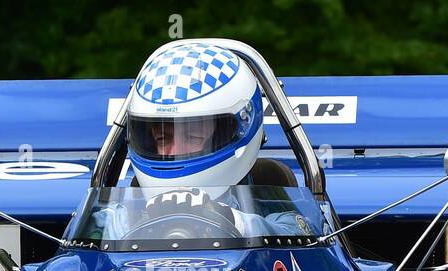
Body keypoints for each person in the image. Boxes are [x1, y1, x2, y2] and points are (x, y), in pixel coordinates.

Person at [92, 42, 309, 241]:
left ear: (241, 129)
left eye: (192, 137)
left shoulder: (269, 198)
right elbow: (88, 242)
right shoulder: (123, 214)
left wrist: (234, 221)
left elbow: (301, 235)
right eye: (162, 138)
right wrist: (136, 227)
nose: (174, 151)